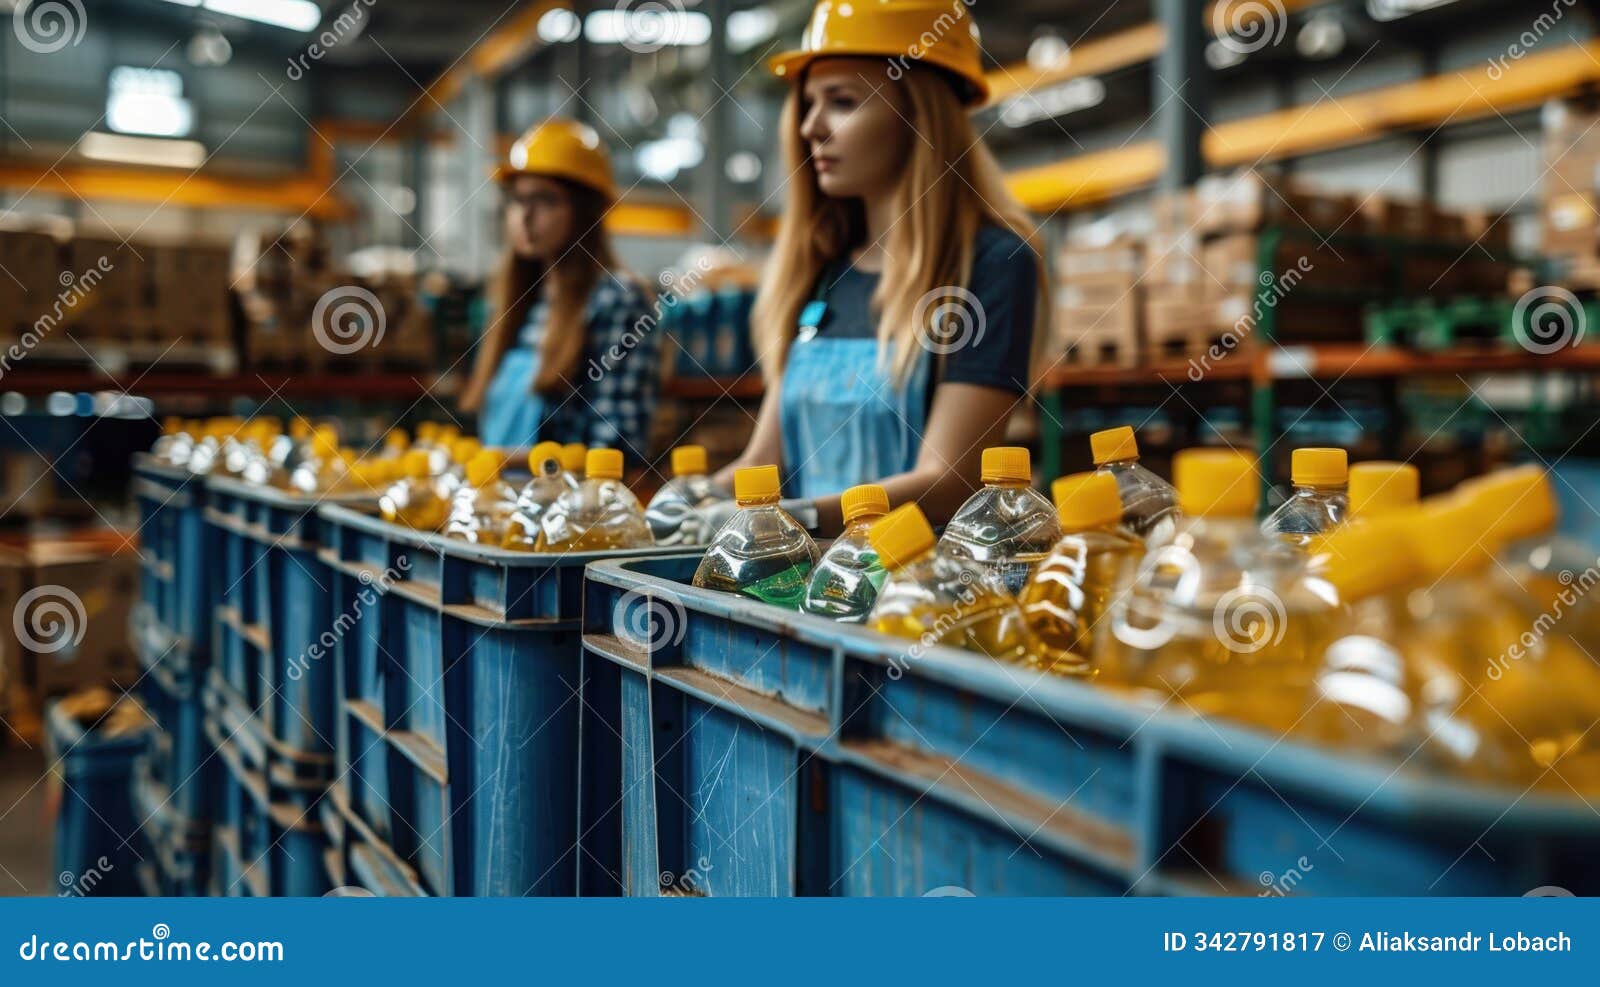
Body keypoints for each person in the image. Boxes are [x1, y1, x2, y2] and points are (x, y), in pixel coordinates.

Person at [714, 0, 1048, 535]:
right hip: (797, 581)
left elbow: (948, 481)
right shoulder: (818, 269)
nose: (810, 127)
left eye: (842, 101)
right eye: (808, 103)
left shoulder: (991, 265)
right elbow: (764, 465)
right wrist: (692, 500)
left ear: (919, 113)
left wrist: (788, 518)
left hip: (916, 593)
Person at [460, 119, 659, 460]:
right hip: (496, 503)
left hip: (564, 507)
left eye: (545, 200)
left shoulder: (618, 300)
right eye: (517, 199)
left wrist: (506, 462)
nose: (525, 216)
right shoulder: (518, 304)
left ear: (585, 212)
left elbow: (616, 446)